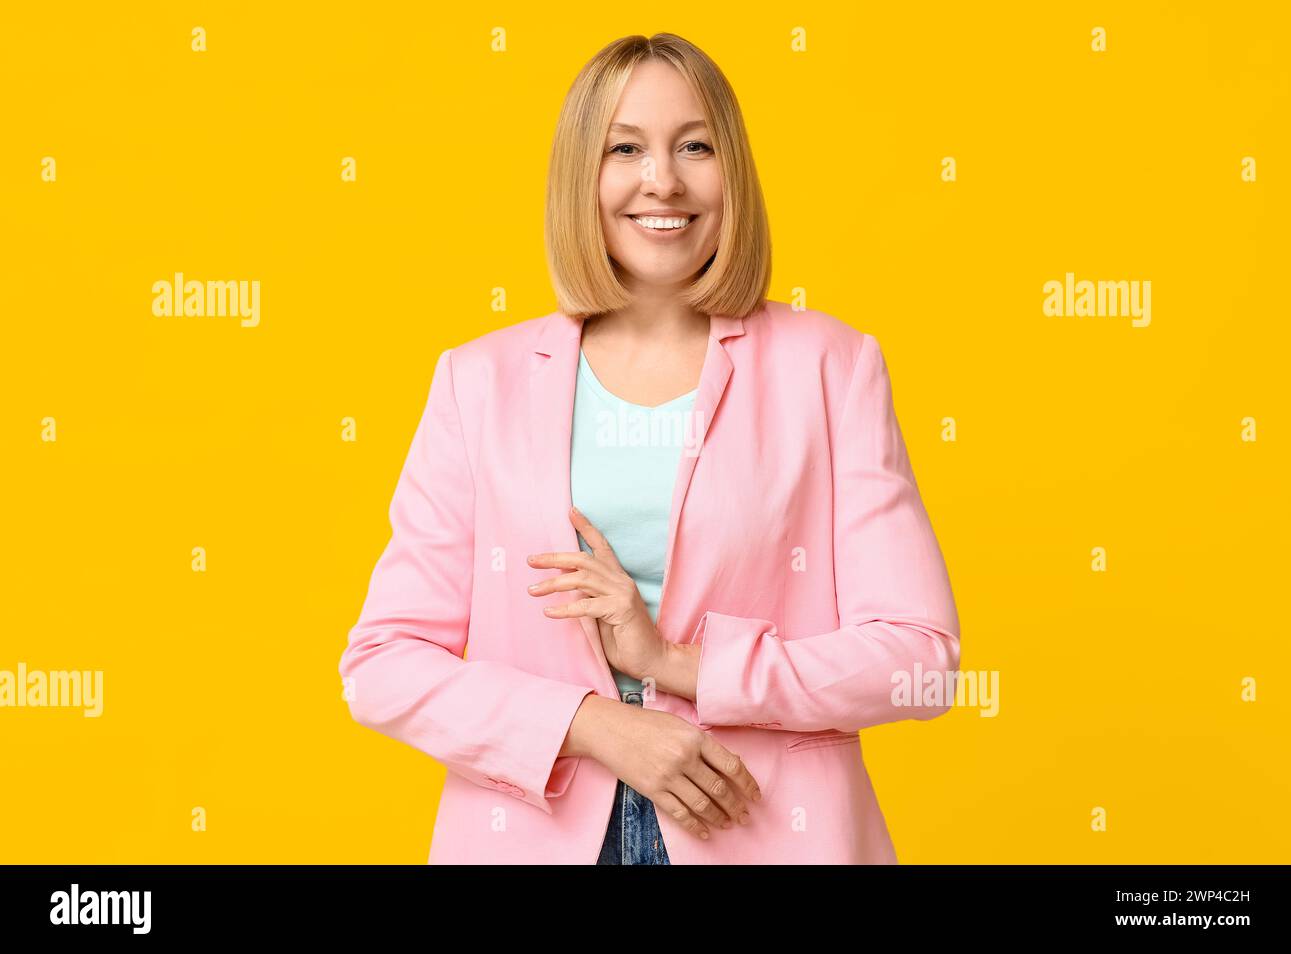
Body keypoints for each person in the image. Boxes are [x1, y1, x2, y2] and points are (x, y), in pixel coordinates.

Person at [339, 32, 961, 865]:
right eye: (623, 148)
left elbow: (918, 657)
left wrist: (682, 665)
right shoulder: (477, 382)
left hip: (766, 831)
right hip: (534, 831)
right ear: (580, 177)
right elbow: (381, 665)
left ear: (730, 170)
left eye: (694, 146)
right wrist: (597, 727)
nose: (661, 180)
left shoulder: (832, 366)